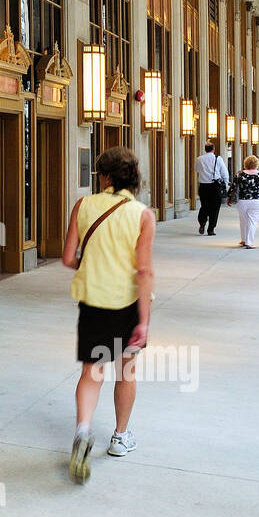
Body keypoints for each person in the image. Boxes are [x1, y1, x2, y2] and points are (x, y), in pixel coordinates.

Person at [61, 147, 155, 484]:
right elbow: (144, 272)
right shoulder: (142, 214)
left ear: (104, 176)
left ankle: (84, 429)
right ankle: (119, 437)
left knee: (92, 370)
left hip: (93, 301)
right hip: (127, 304)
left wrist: (93, 263)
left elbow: (68, 257)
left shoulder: (83, 206)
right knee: (126, 369)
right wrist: (143, 320)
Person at [232, 154, 259, 248]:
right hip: (257, 201)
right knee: (252, 221)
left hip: (243, 200)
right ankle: (249, 242)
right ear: (256, 164)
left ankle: (244, 239)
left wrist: (229, 198)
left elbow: (233, 187)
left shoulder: (239, 174)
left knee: (243, 220)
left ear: (246, 163)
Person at [193, 141, 229, 236]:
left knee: (204, 206)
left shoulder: (199, 159)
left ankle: (202, 222)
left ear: (205, 149)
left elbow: (196, 170)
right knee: (215, 208)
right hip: (215, 186)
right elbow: (224, 173)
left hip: (203, 186)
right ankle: (211, 229)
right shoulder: (218, 159)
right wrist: (225, 184)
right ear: (214, 149)